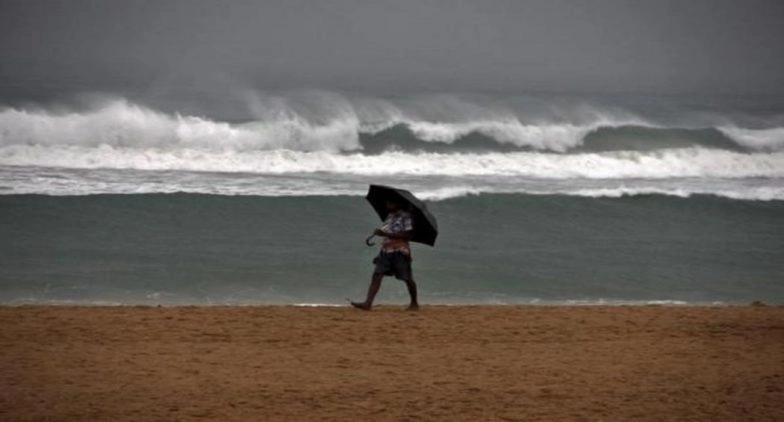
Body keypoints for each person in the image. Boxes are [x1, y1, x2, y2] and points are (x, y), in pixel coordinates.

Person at [351, 199, 419, 311]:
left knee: (407, 278)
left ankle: (414, 303)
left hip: (400, 251)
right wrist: (380, 234)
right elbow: (387, 232)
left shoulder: (406, 216)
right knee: (377, 275)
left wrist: (385, 233)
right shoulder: (390, 216)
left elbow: (407, 235)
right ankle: (368, 303)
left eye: (390, 202)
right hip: (386, 250)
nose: (387, 204)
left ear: (398, 203)